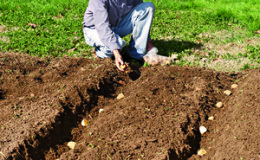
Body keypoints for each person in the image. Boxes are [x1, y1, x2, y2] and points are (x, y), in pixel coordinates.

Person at [83, 0, 173, 71]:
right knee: (115, 46)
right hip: (94, 29)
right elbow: (102, 27)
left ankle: (135, 53)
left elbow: (143, 18)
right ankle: (102, 53)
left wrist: (150, 47)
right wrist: (117, 53)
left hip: (117, 26)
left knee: (147, 8)